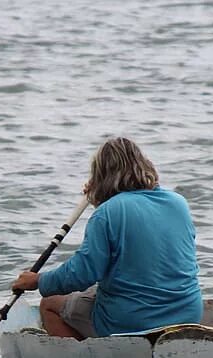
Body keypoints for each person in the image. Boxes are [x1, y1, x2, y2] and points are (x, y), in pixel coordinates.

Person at [11, 137, 202, 339]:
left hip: (129, 320)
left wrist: (39, 281)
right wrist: (101, 199)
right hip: (187, 314)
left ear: (101, 176)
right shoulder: (178, 203)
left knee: (49, 303)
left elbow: (82, 274)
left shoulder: (106, 213)